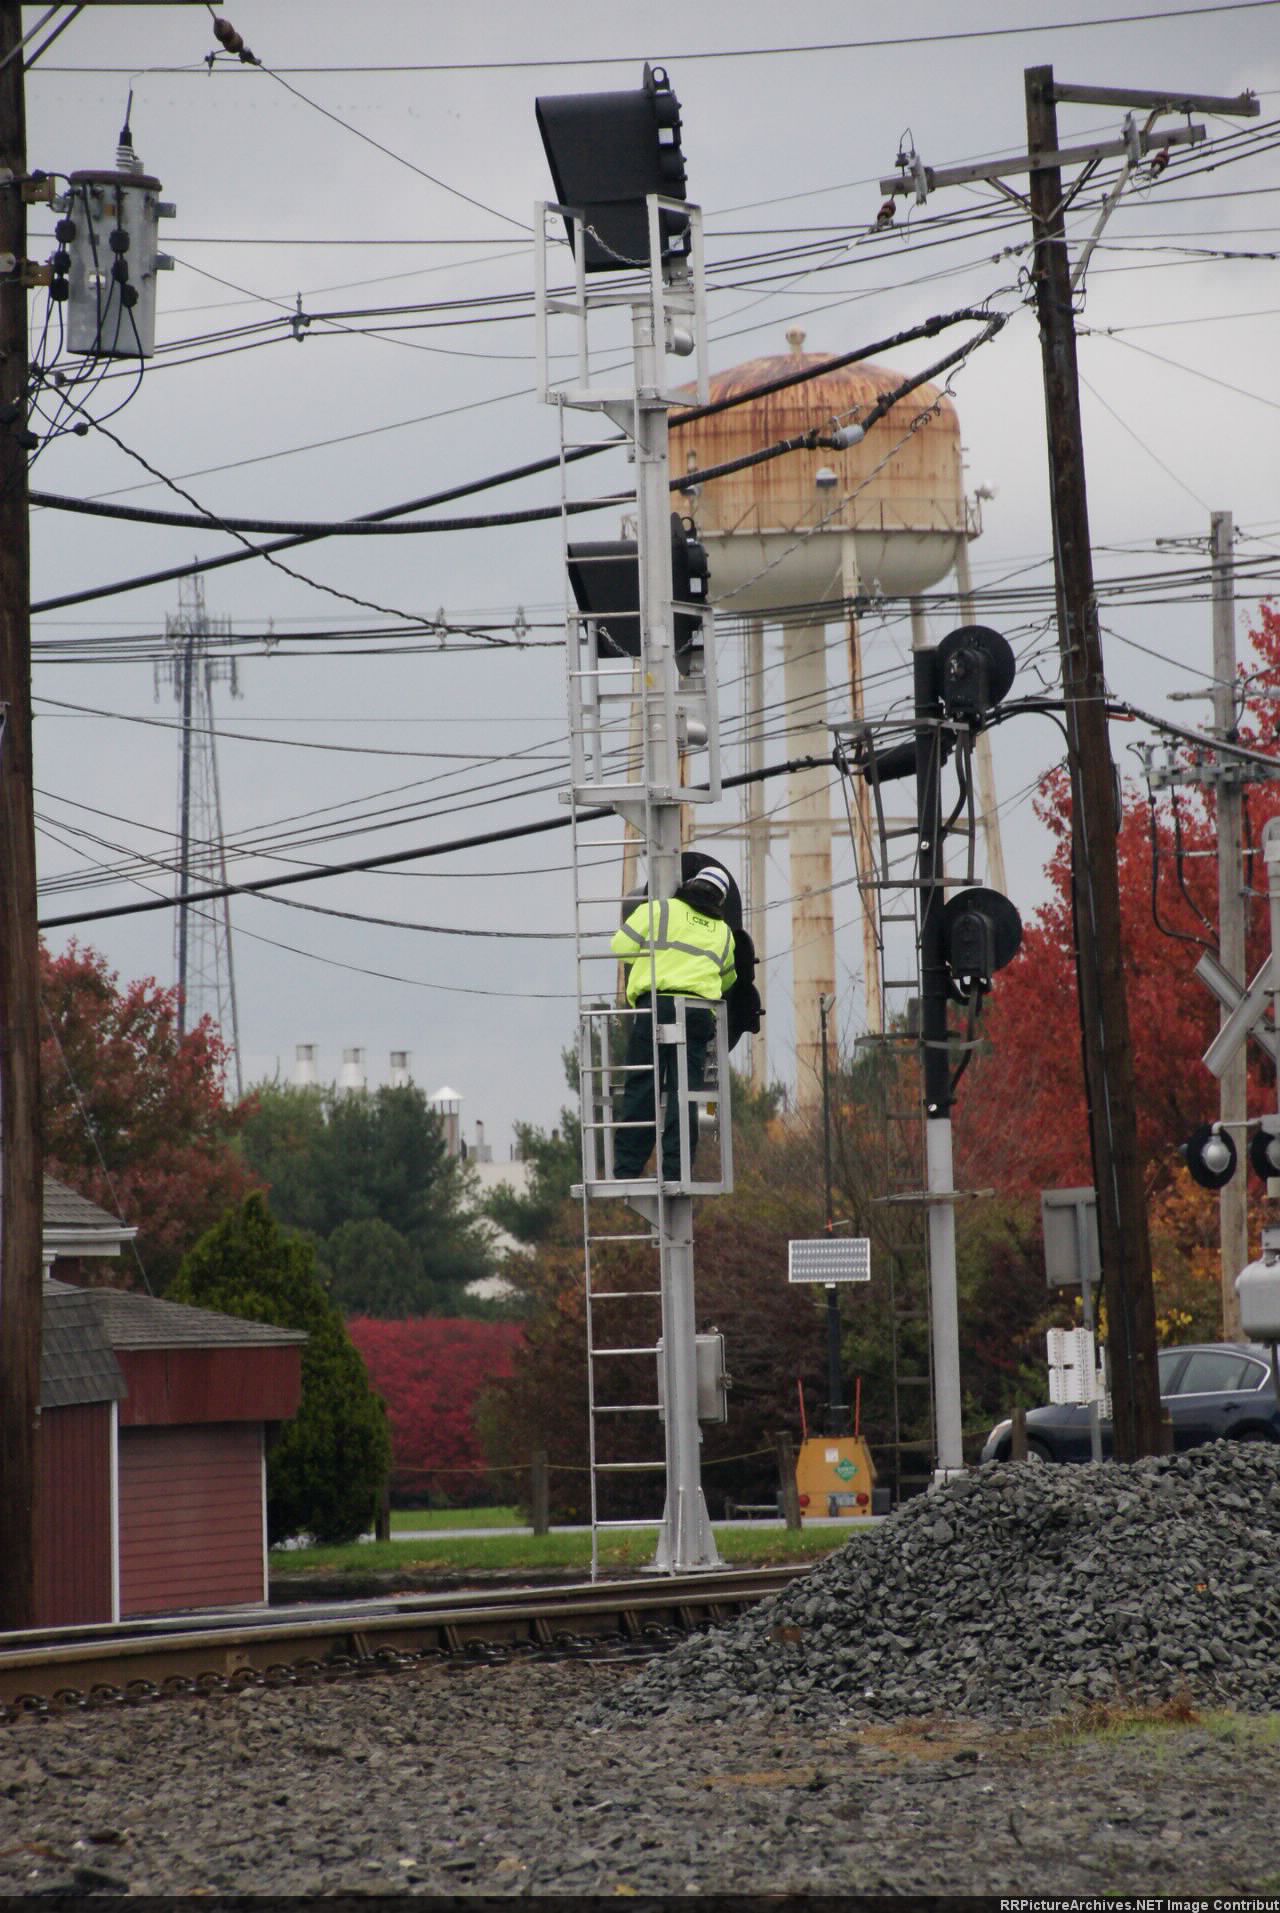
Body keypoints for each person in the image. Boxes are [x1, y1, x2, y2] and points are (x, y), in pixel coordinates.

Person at [610, 865, 736, 1182]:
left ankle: (627, 1169)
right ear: (719, 900)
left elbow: (620, 947)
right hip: (696, 1012)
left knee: (642, 1087)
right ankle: (677, 1171)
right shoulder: (723, 933)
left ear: (690, 884)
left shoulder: (658, 910)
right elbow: (729, 978)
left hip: (655, 1005)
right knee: (686, 1093)